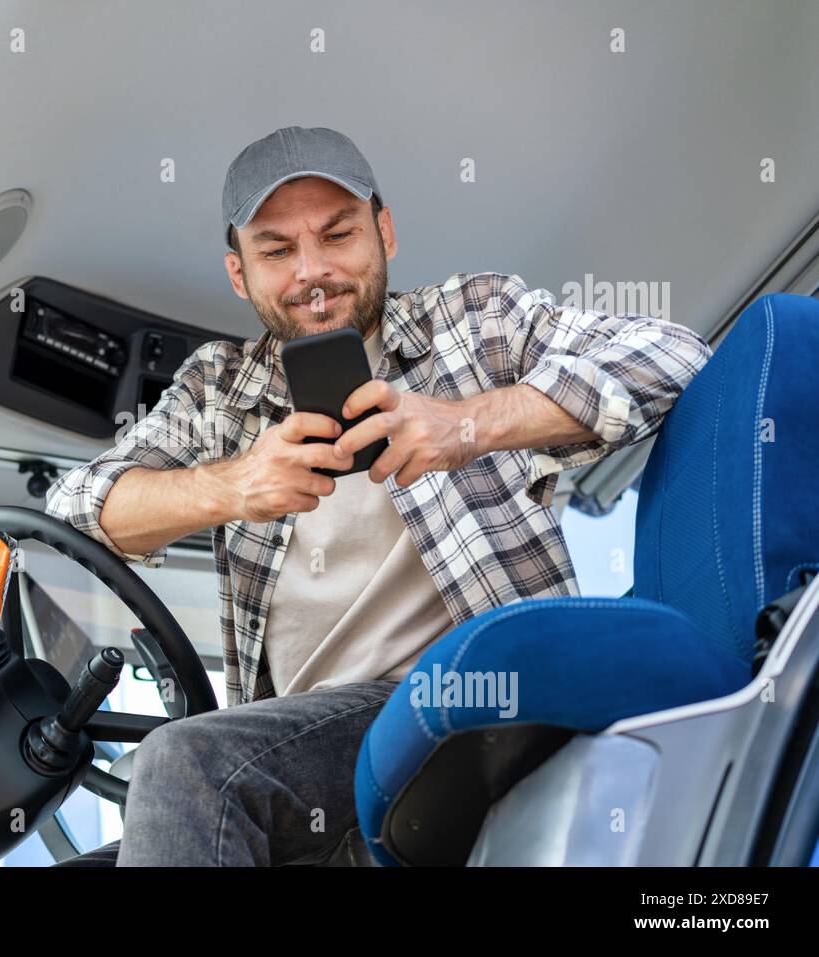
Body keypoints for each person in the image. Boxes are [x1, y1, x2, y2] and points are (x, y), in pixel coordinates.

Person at [45, 126, 712, 866]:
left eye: (338, 234)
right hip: (301, 761)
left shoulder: (476, 320)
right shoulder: (218, 392)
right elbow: (78, 507)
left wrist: (465, 424)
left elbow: (675, 357)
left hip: (459, 713)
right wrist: (233, 485)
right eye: (277, 250)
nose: (314, 271)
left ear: (383, 230)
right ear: (239, 273)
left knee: (183, 764)